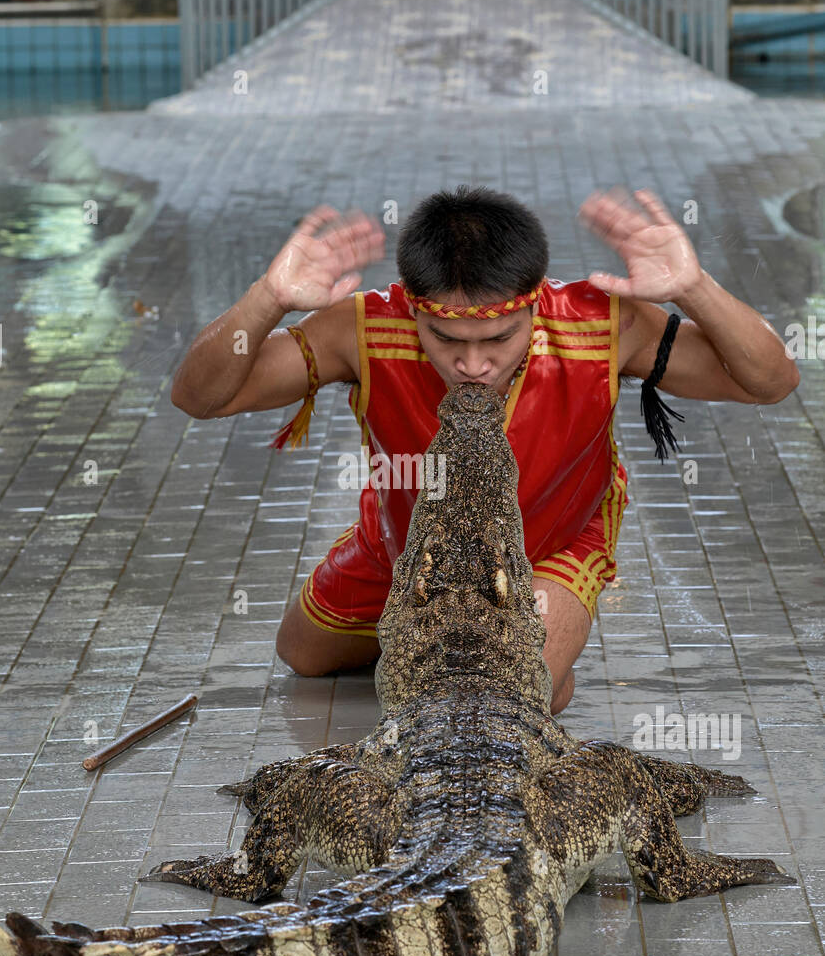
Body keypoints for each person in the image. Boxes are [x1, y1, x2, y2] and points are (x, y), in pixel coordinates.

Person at [171, 186, 798, 714]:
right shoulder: (362, 327)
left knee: (505, 694)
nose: (473, 364)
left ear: (536, 303)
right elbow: (199, 397)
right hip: (415, 546)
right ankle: (422, 612)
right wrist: (268, 297)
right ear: (413, 310)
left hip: (548, 546)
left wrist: (694, 289)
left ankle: (549, 656)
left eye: (498, 338)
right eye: (445, 340)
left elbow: (772, 382)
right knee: (302, 657)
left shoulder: (604, 324)